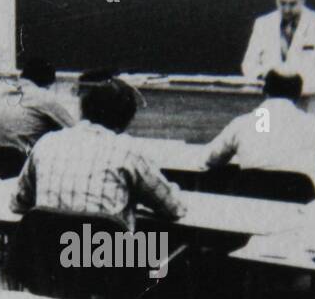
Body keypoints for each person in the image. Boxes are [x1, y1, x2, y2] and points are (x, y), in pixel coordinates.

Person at [11, 76, 185, 227]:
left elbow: (18, 203)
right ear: (126, 120)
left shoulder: (46, 143)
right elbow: (174, 209)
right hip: (106, 261)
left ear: (84, 110)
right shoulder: (128, 151)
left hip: (48, 261)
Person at [203, 70, 315, 195]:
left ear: (265, 90)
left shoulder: (243, 123)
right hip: (300, 207)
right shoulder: (314, 124)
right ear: (298, 94)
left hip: (252, 207)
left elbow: (209, 158)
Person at [0, 57, 76, 155]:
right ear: (46, 83)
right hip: (21, 164)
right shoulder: (43, 96)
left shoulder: (0, 96)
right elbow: (76, 132)